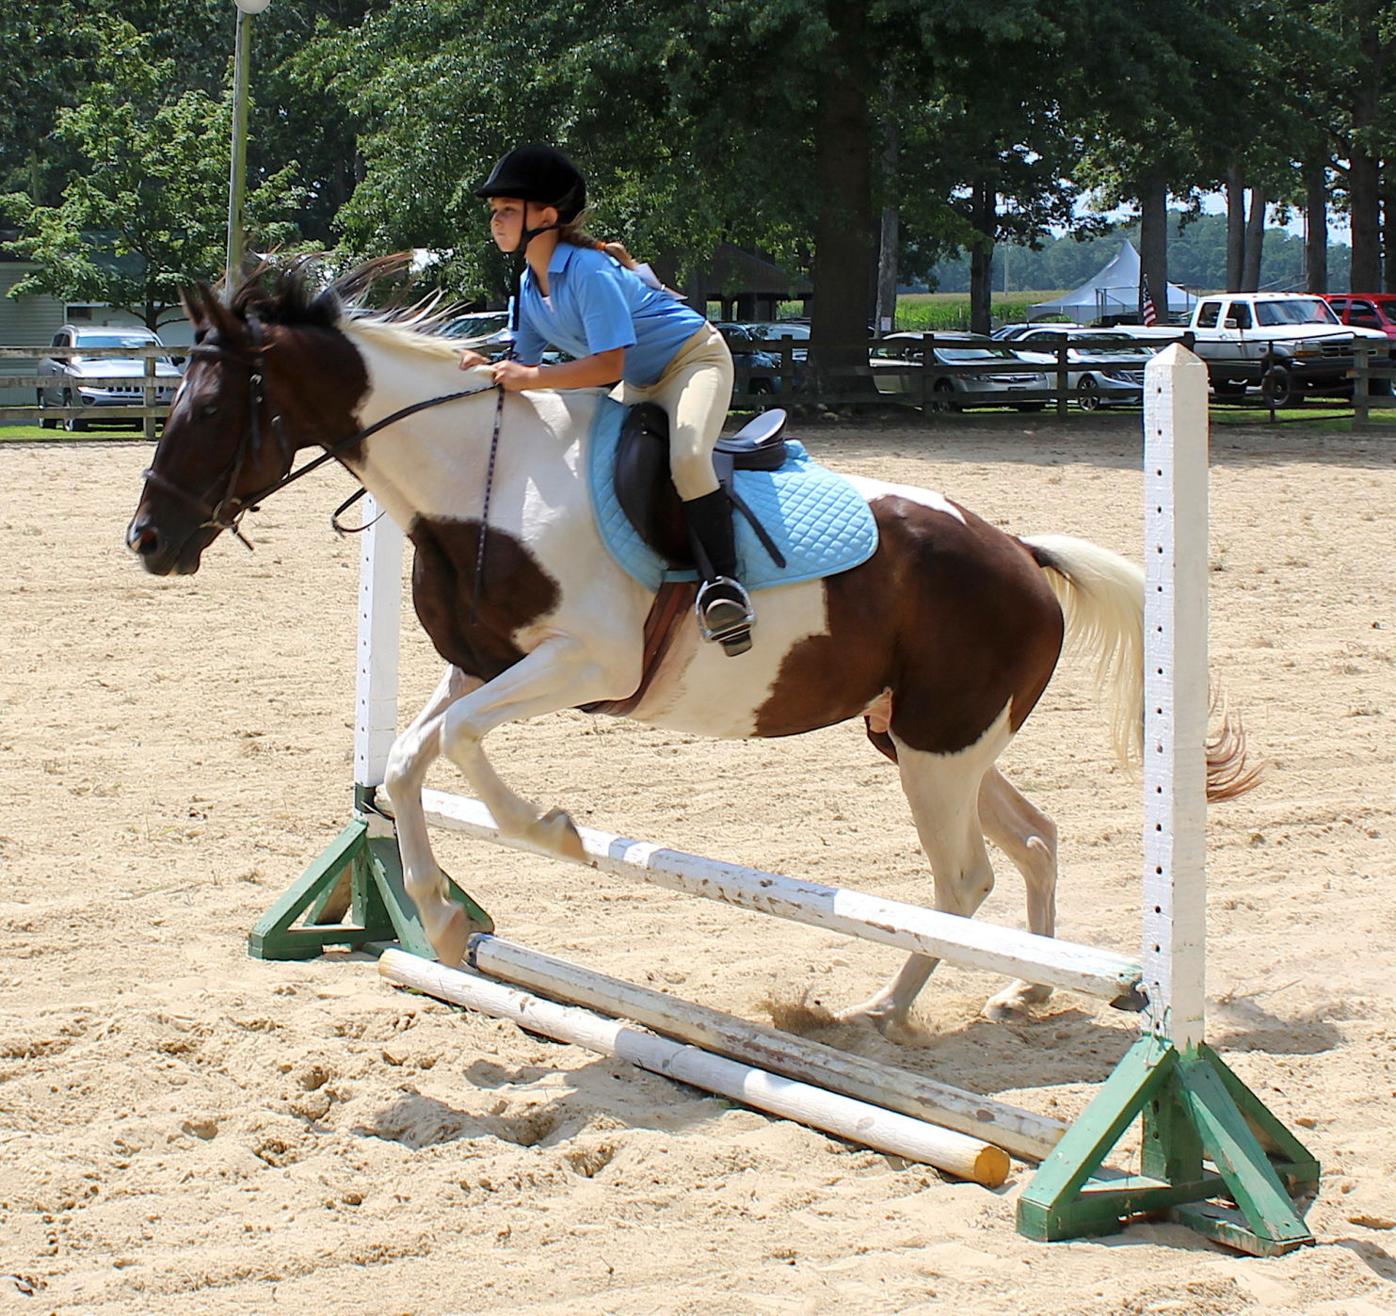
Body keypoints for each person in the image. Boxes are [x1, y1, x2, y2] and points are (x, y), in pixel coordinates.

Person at [462, 144, 754, 655]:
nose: (496, 220)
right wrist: (478, 367)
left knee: (687, 458)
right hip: (645, 379)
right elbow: (520, 361)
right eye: (494, 211)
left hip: (694, 360)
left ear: (545, 217)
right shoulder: (528, 284)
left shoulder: (588, 271)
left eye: (508, 209)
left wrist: (528, 377)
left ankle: (725, 587)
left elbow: (607, 367)